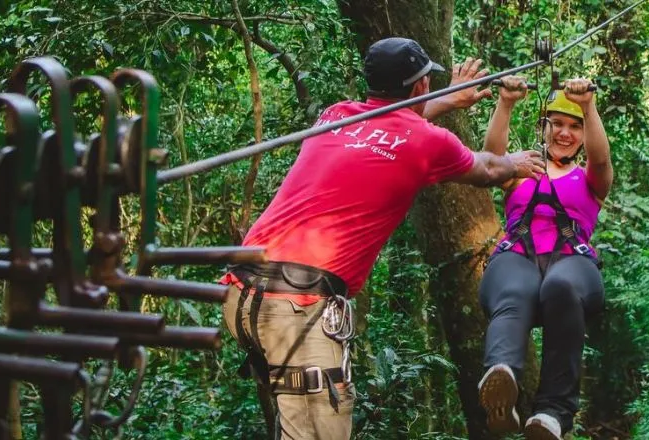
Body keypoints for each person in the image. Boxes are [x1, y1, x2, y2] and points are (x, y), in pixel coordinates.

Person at [219, 37, 546, 440]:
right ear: (421, 86)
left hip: (241, 292)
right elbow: (489, 168)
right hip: (299, 304)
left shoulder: (334, 116)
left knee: (297, 425)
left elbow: (391, 122)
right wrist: (516, 161)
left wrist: (451, 99)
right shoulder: (429, 142)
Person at [474, 75, 612, 440]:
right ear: (545, 127)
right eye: (557, 124)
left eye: (574, 127)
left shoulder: (590, 179)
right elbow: (491, 159)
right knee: (515, 290)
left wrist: (588, 105)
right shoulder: (522, 169)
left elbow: (601, 157)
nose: (564, 133)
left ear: (583, 135)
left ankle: (552, 413)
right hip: (516, 256)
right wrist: (505, 103)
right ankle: (501, 381)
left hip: (572, 263)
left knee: (561, 285)